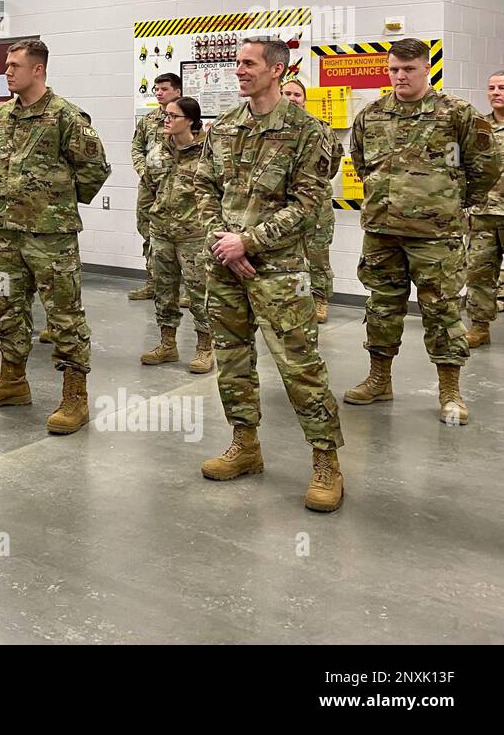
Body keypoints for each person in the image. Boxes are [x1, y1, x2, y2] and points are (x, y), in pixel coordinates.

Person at [193, 38, 344, 512]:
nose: (238, 71)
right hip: (225, 264)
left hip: (278, 269)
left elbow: (308, 205)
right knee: (233, 359)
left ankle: (326, 462)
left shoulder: (308, 131)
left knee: (299, 365)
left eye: (248, 64)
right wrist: (222, 239)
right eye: (237, 63)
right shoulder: (224, 128)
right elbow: (202, 188)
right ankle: (246, 445)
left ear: (277, 71)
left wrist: (249, 242)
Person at [346, 39, 500, 424]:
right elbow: (362, 162)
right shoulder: (372, 114)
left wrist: (453, 201)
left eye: (408, 69)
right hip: (382, 231)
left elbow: (486, 165)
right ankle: (379, 380)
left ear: (425, 68)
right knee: (381, 307)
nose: (400, 76)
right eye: (394, 68)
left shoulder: (456, 113)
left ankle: (450, 391)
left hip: (437, 235)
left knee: (442, 311)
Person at [0, 40, 110, 435]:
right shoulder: (1, 117)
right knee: (8, 307)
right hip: (8, 234)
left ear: (38, 70)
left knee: (64, 315)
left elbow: (95, 167)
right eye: (7, 66)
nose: (8, 72)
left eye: (15, 66)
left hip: (52, 237)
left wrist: (58, 202)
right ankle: (13, 380)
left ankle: (75, 396)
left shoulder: (65, 116)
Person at [139, 96, 211, 373]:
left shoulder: (208, 152)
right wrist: (148, 225)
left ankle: (205, 347)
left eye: (173, 116)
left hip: (195, 235)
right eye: (165, 116)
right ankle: (167, 344)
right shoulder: (158, 152)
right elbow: (147, 188)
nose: (166, 121)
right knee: (163, 291)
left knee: (199, 293)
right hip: (161, 233)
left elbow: (221, 193)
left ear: (190, 121)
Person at [282, 78, 344, 322]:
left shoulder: (321, 128)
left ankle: (320, 300)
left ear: (304, 99)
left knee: (317, 256)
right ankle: (291, 300)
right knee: (287, 256)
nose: (292, 98)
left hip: (316, 205)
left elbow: (334, 162)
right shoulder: (270, 129)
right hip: (283, 205)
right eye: (286, 93)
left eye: (297, 94)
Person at [130, 73, 182, 300]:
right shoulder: (149, 120)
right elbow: (136, 147)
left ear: (177, 91)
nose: (159, 92)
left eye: (164, 88)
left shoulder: (186, 117)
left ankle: (187, 289)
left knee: (184, 234)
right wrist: (144, 171)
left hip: (177, 186)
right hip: (149, 186)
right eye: (156, 89)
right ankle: (153, 282)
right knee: (148, 231)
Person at [466, 70, 504, 348]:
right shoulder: (479, 126)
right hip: (483, 213)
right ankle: (479, 328)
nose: (495, 93)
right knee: (478, 273)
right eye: (491, 88)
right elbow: (462, 163)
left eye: (501, 87)